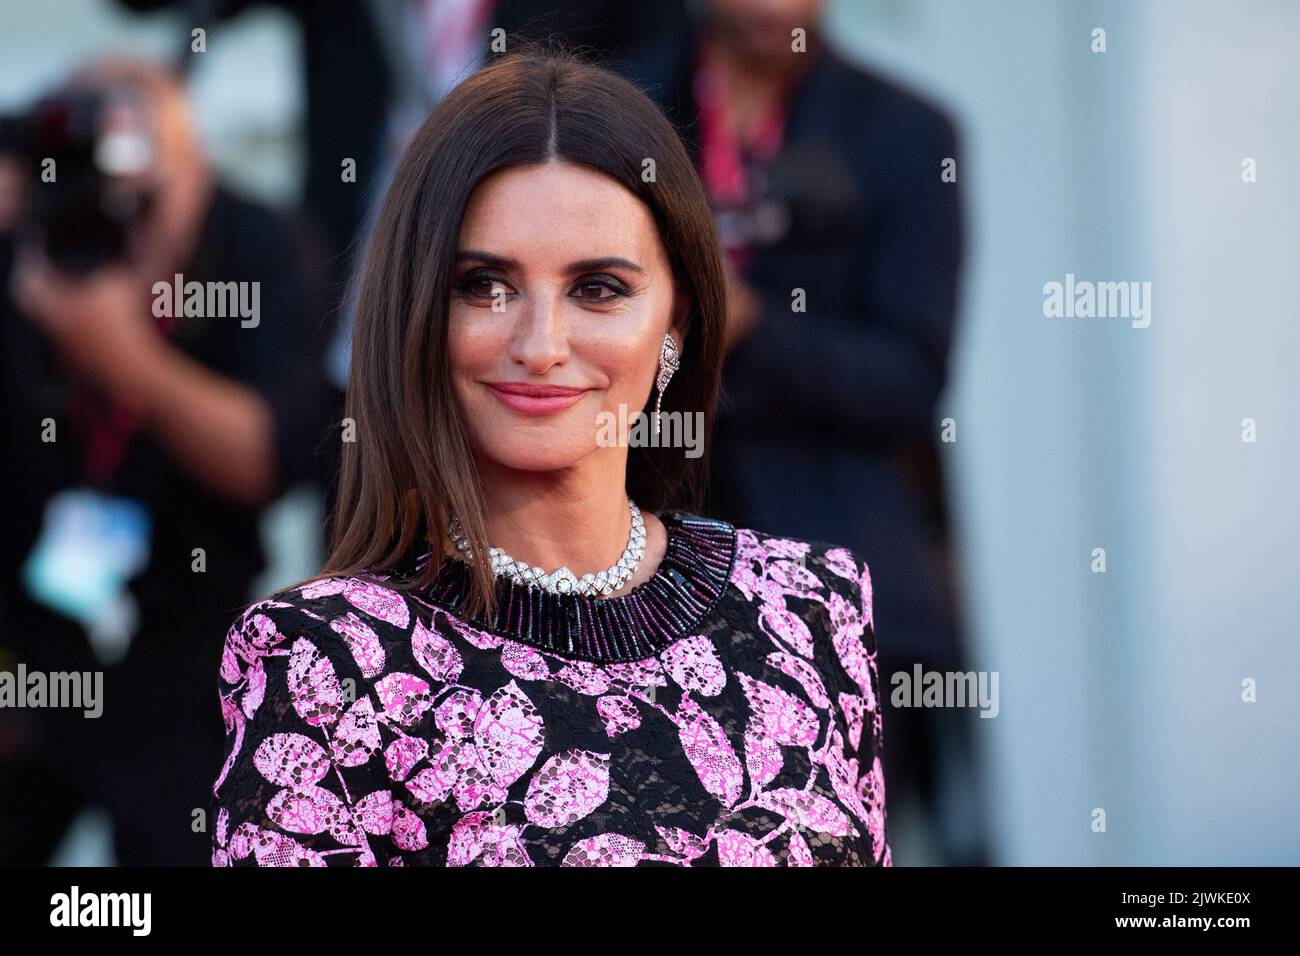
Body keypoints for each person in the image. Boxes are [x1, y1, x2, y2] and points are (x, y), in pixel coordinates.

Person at [210, 49, 890, 867]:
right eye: (485, 287)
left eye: (598, 289)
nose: (541, 346)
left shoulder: (810, 609)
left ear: (676, 327)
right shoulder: (327, 659)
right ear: (417, 316)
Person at [0, 58, 333, 866]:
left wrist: (129, 360)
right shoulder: (31, 232)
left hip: (186, 649)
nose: (116, 218)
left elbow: (273, 458)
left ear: (195, 159)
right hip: (24, 641)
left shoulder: (258, 241)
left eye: (144, 191)